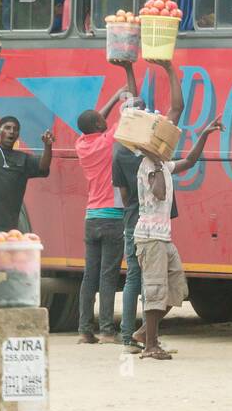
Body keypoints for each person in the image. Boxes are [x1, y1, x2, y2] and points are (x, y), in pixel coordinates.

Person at [130, 115, 222, 360]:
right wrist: (158, 163)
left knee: (176, 288)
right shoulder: (148, 166)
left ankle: (144, 333)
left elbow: (190, 161)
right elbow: (159, 194)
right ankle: (151, 344)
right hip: (150, 238)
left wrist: (204, 134)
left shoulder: (163, 165)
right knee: (156, 289)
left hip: (163, 237)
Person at [0, 82, 53, 305]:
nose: (11, 132)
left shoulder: (23, 160)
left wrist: (48, 147)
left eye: (15, 129)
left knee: (1, 274)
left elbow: (43, 168)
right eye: (7, 128)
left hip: (7, 231)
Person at [74, 60, 140, 344]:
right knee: (109, 275)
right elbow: (134, 107)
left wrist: (113, 98)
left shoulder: (83, 144)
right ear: (101, 126)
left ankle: (84, 329)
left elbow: (92, 120)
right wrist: (127, 74)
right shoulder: (108, 141)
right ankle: (106, 329)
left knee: (90, 275)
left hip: (91, 217)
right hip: (113, 216)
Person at [112, 97, 180, 350]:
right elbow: (158, 192)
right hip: (145, 229)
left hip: (141, 222)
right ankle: (137, 337)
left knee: (151, 283)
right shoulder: (140, 160)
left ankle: (139, 334)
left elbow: (124, 194)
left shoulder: (125, 153)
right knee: (145, 283)